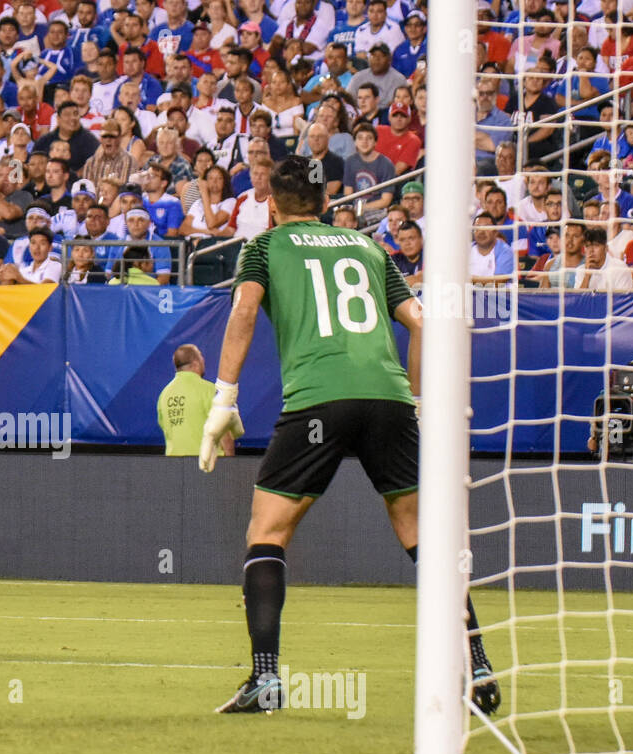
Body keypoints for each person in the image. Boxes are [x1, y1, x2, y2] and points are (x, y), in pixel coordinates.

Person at [197, 154, 500, 716]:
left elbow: (243, 311)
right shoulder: (370, 248)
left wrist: (224, 397)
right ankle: (476, 665)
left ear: (270, 203)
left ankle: (265, 679)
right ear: (324, 202)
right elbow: (422, 322)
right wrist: (416, 400)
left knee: (267, 532)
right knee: (420, 534)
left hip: (319, 399)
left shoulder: (262, 249)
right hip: (386, 399)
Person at [157, 344, 236, 458]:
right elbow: (224, 434)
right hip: (208, 466)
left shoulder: (164, 395)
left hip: (175, 466)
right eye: (201, 357)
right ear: (195, 363)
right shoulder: (209, 390)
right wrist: (230, 466)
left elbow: (166, 429)